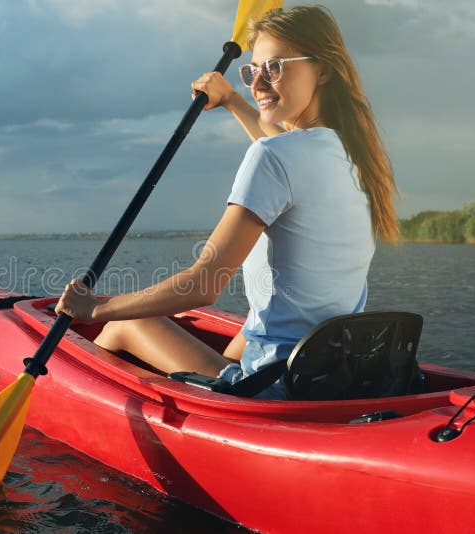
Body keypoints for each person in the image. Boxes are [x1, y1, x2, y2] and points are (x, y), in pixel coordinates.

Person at [55, 6, 399, 399]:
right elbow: (280, 154)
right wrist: (232, 99)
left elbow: (203, 285)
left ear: (322, 69)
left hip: (275, 389)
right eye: (252, 71)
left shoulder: (276, 158)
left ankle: (87, 405)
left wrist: (94, 310)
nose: (259, 83)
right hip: (330, 377)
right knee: (244, 332)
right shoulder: (354, 158)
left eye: (274, 67)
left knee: (122, 326)